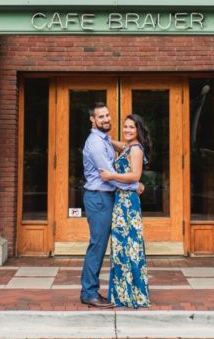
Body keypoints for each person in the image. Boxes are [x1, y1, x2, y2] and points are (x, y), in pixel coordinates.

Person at [79, 102, 141, 308]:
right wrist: (135, 185)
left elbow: (126, 147)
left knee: (100, 245)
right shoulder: (96, 143)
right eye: (101, 117)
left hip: (105, 198)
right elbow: (108, 176)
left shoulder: (103, 139)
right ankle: (89, 293)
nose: (106, 119)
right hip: (98, 197)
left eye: (107, 115)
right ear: (92, 120)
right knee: (97, 245)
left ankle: (92, 290)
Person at [100, 114, 151, 308]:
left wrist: (111, 175)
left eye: (131, 127)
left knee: (129, 247)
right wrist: (100, 135)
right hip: (121, 201)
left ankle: (133, 295)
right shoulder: (127, 147)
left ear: (138, 130)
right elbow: (115, 143)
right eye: (125, 126)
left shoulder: (136, 149)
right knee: (121, 247)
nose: (127, 130)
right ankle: (123, 294)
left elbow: (135, 175)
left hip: (128, 204)